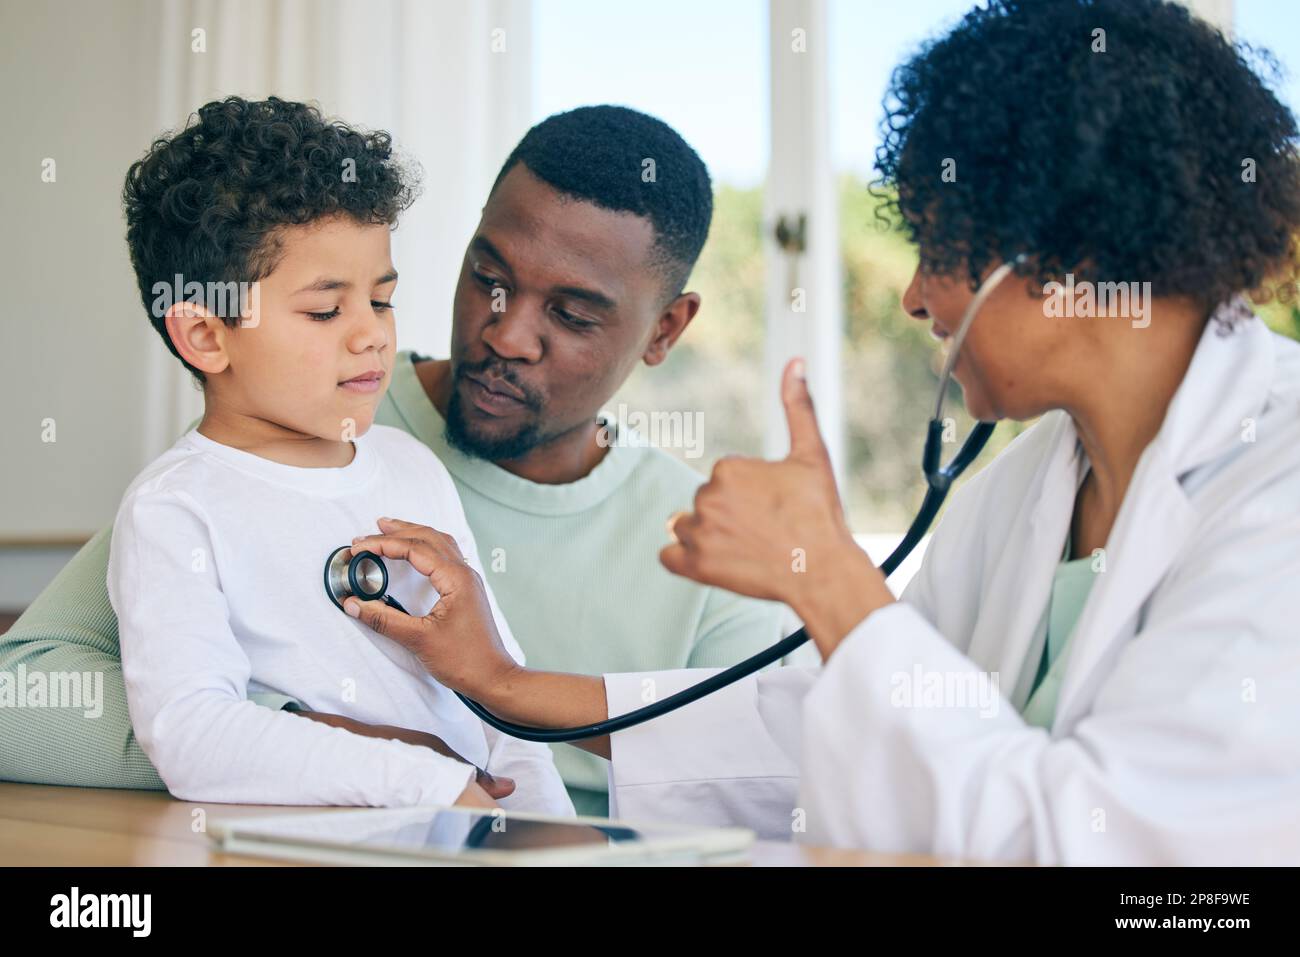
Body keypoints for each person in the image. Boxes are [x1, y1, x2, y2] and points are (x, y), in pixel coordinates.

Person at [336, 0, 1300, 863]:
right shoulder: (1031, 485)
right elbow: (807, 738)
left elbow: (1117, 845)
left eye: (935, 247)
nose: (918, 298)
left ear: (1063, 254)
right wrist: (502, 680)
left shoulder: (1278, 484)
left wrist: (826, 576)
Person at [0, 104, 791, 817]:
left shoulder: (708, 544)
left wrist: (545, 826)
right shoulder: (274, 438)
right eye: (488, 279)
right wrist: (325, 738)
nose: (506, 334)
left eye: (572, 312)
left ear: (665, 330)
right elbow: (29, 693)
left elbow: (794, 766)